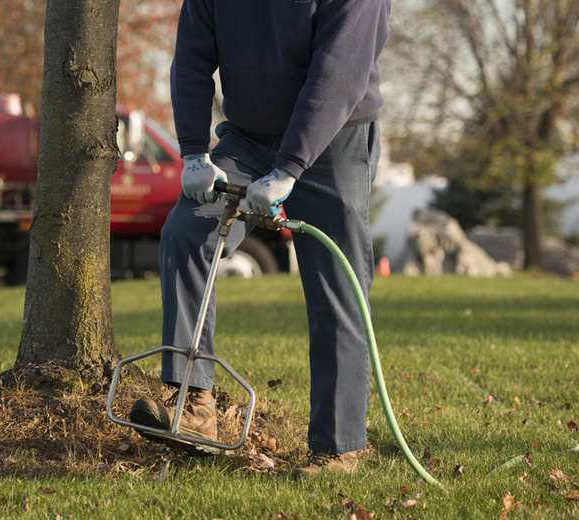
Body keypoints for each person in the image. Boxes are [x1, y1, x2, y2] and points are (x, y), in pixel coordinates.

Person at [129, 0, 391, 476]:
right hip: (248, 138)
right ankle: (195, 404)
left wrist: (290, 168)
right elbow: (191, 58)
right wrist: (193, 151)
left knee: (337, 284)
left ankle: (338, 446)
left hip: (335, 136)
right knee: (187, 233)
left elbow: (338, 74)